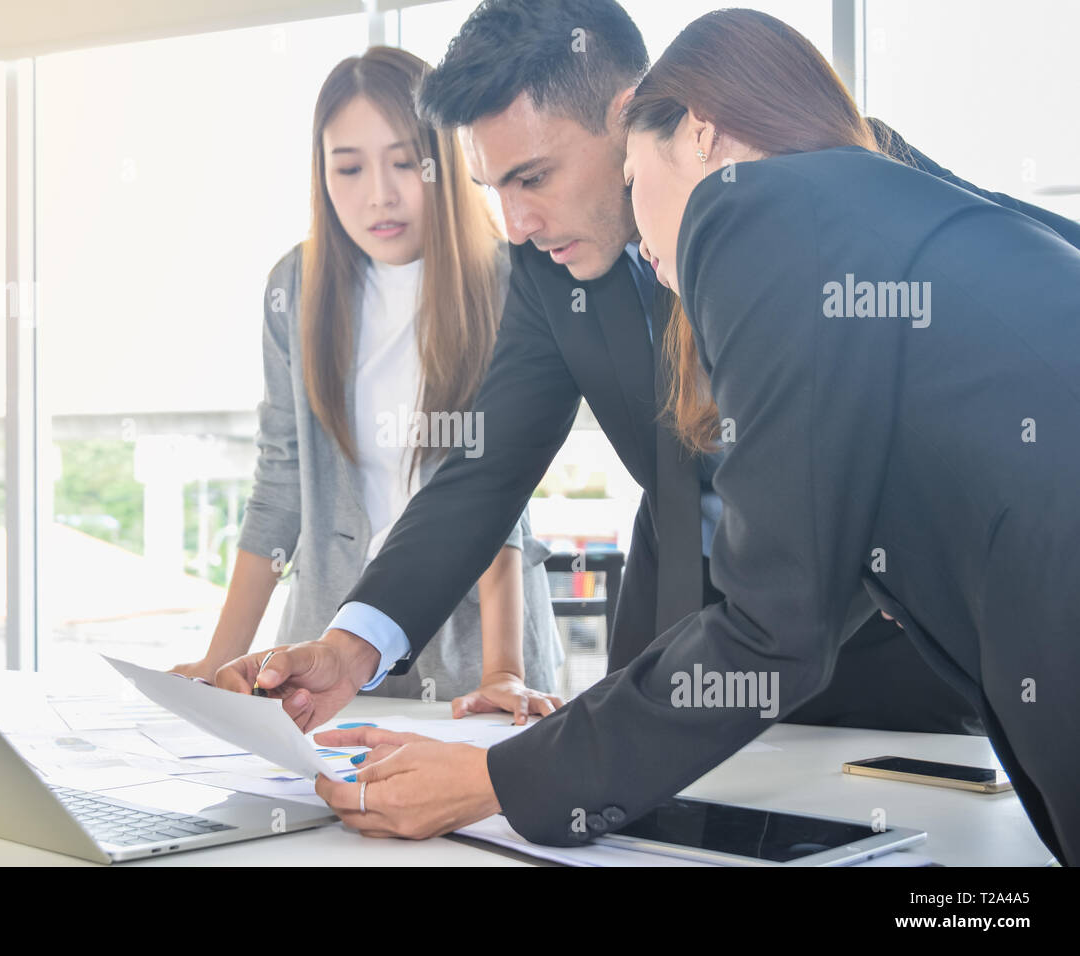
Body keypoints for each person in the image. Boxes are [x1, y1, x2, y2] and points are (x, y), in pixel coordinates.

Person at [303, 8, 1080, 864]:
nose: (515, 220)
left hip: (872, 651)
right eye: (492, 188)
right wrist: (354, 646)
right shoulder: (545, 262)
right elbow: (486, 465)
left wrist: (505, 779)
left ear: (633, 115)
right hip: (680, 662)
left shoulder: (801, 176)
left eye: (532, 176)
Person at [173, 46, 564, 720]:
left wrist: (503, 669)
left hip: (476, 654)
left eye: (405, 161)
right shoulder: (295, 288)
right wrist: (217, 662)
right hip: (325, 647)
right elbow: (280, 481)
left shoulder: (507, 280)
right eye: (348, 167)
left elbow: (500, 489)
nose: (378, 194)